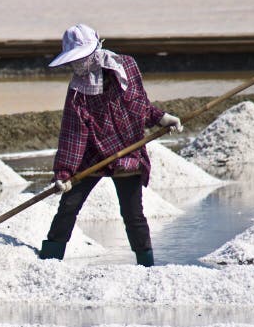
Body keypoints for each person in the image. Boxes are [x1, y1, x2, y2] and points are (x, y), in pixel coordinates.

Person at [39, 24, 183, 267]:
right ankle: (49, 262)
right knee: (68, 206)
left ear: (95, 50)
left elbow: (139, 104)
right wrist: (63, 174)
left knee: (133, 213)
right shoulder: (77, 90)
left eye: (80, 59)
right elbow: (73, 135)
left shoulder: (125, 67)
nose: (77, 66)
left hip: (126, 148)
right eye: (73, 62)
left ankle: (146, 264)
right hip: (92, 154)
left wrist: (161, 117)